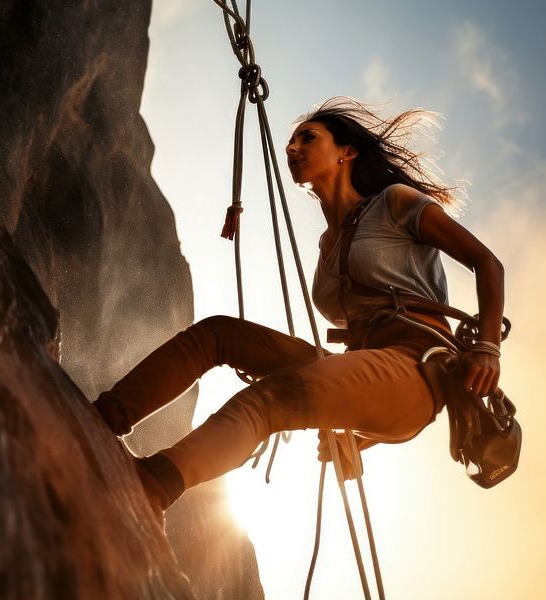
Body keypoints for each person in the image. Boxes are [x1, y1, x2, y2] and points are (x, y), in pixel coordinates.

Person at [93, 97, 505, 516]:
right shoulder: (329, 244)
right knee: (218, 334)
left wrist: (489, 349)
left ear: (347, 151)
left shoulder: (395, 202)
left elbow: (487, 263)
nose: (291, 149)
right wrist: (357, 438)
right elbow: (357, 366)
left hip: (418, 369)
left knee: (267, 401)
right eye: (290, 143)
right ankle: (102, 419)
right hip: (372, 364)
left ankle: (151, 487)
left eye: (307, 138)